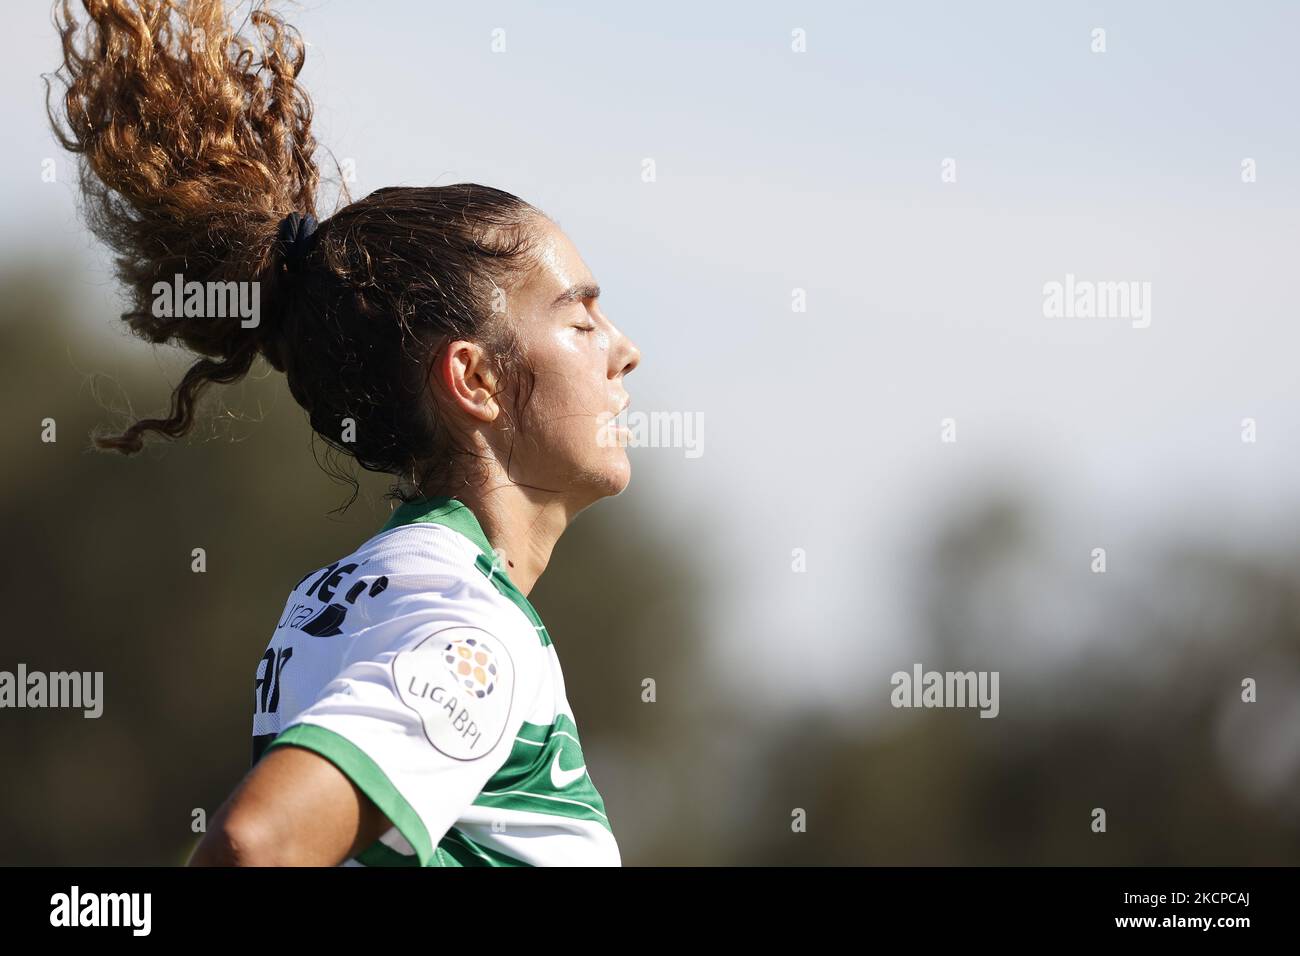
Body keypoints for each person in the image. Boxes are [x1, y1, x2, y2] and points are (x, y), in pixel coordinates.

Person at [49, 0, 639, 866]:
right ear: (475, 380)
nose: (625, 350)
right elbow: (255, 846)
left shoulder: (363, 587)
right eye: (581, 321)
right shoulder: (469, 625)